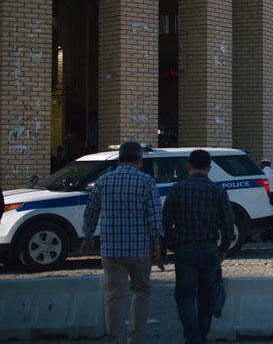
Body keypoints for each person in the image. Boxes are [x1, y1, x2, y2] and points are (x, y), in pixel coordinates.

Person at [81, 141, 164, 344]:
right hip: (139, 249)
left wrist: (88, 236)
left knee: (114, 297)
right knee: (141, 292)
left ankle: (115, 339)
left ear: (118, 159)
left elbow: (91, 212)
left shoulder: (103, 181)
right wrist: (157, 244)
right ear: (139, 160)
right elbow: (154, 216)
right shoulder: (146, 181)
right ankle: (135, 338)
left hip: (111, 251)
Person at [162, 149, 234, 344]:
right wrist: (223, 249)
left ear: (189, 167)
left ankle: (192, 336)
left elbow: (165, 221)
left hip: (185, 249)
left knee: (184, 296)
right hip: (210, 250)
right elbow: (228, 224)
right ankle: (202, 334)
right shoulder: (218, 191)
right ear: (209, 168)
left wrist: (168, 246)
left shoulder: (177, 189)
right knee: (205, 296)